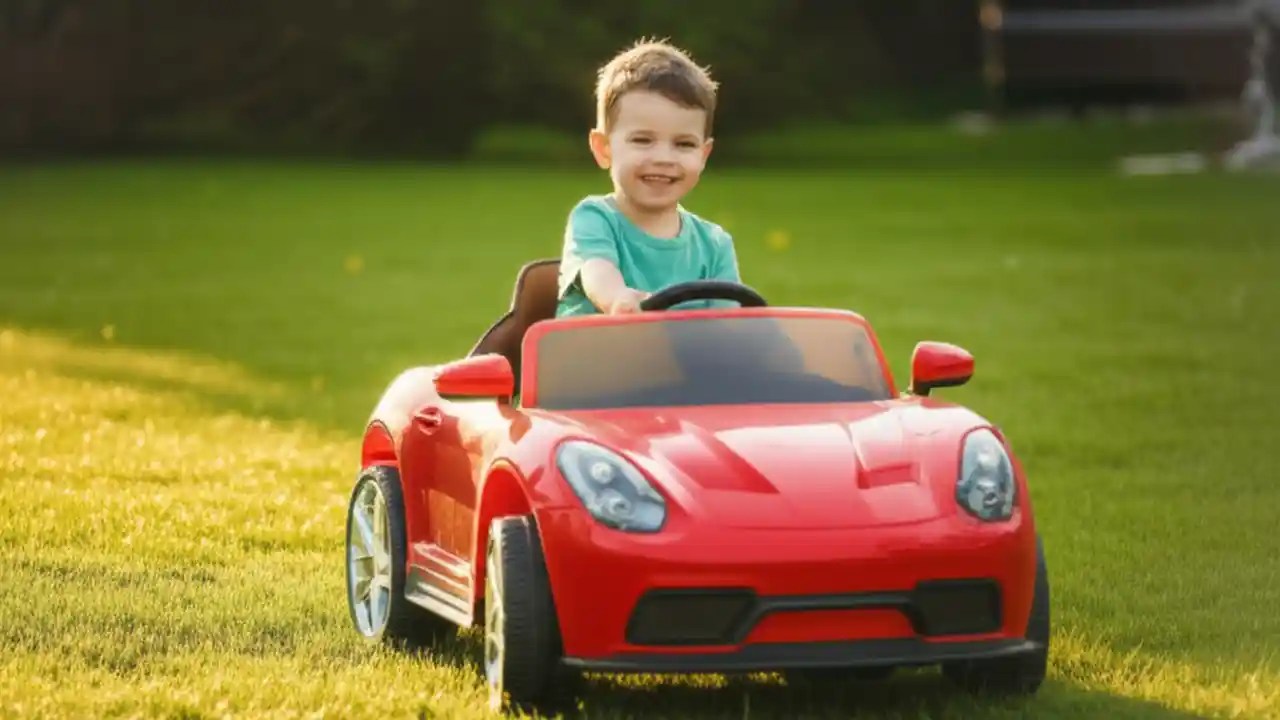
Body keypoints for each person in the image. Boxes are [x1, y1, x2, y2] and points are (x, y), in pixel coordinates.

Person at [555, 39, 742, 318]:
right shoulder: (595, 218)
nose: (664, 158)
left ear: (703, 155)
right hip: (594, 358)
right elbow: (597, 270)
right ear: (603, 148)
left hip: (684, 362)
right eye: (643, 140)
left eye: (683, 144)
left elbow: (730, 328)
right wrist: (617, 298)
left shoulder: (715, 245)